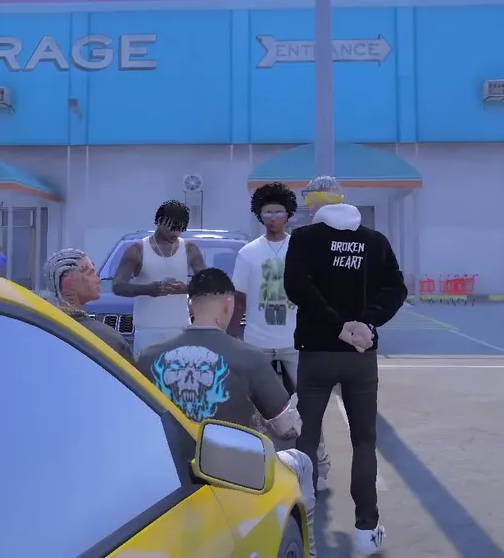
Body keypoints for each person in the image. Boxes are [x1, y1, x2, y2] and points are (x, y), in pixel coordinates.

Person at [136, 268, 316, 554]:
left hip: (169, 477)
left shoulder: (147, 357)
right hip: (233, 474)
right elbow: (288, 429)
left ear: (190, 304)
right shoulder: (249, 357)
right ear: (228, 304)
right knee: (302, 463)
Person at [284, 176, 408, 555]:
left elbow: (298, 288)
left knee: (306, 439)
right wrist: (366, 324)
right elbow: (397, 289)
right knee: (364, 441)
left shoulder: (304, 239)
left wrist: (337, 326)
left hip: (316, 353)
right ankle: (366, 531)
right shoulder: (374, 241)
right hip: (361, 356)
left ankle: (303, 525)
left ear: (316, 204)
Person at [232, 182, 332, 490]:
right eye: (267, 212)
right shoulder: (248, 253)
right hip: (257, 342)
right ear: (259, 215)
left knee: (309, 407)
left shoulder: (302, 249)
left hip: (296, 340)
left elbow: (316, 295)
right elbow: (239, 299)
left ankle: (319, 469)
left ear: (288, 214)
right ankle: (257, 468)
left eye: (278, 212)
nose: (272, 217)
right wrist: (232, 339)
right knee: (252, 411)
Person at [112, 200, 207, 354]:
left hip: (180, 328)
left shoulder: (190, 249)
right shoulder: (137, 250)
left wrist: (185, 289)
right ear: (160, 221)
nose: (176, 233)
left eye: (180, 229)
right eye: (172, 227)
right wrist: (148, 290)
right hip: (147, 330)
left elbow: (207, 284)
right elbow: (117, 286)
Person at [43, 248, 135, 364]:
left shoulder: (40, 328)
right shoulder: (107, 339)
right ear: (69, 282)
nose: (98, 279)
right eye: (90, 273)